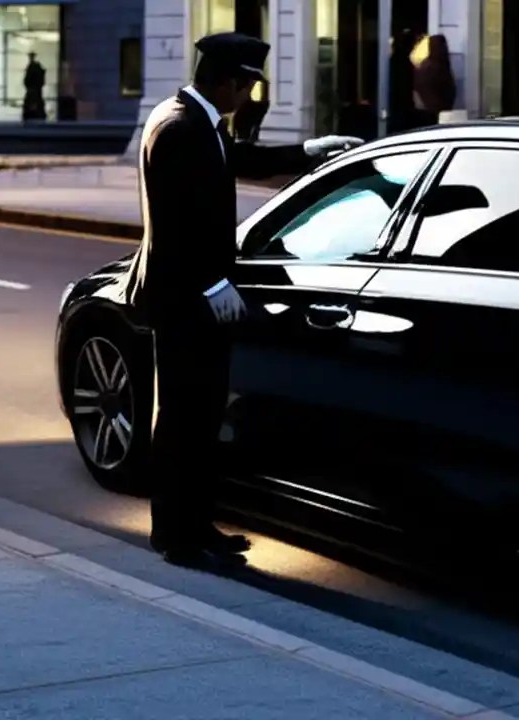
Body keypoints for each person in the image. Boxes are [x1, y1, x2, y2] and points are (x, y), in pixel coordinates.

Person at [126, 31, 362, 567]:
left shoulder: (192, 119)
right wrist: (209, 284)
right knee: (184, 420)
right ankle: (176, 536)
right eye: (248, 87)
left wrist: (307, 153)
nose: (250, 97)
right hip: (185, 299)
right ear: (229, 81)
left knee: (201, 417)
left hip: (193, 296)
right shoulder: (179, 128)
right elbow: (172, 223)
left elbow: (234, 161)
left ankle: (194, 525)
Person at [23, 52, 46, 122]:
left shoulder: (32, 67)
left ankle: (33, 115)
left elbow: (27, 80)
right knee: (35, 104)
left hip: (33, 90)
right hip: (36, 90)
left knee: (32, 104)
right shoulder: (36, 67)